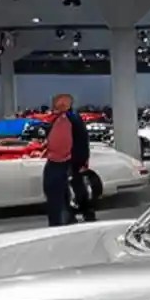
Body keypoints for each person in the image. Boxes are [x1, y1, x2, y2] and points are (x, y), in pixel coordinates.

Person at [42, 93, 91, 226]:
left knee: (57, 197)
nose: (56, 104)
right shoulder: (65, 118)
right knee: (63, 195)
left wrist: (76, 163)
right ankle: (70, 220)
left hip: (62, 163)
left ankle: (59, 225)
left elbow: (67, 143)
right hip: (65, 163)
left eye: (59, 102)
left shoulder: (67, 119)